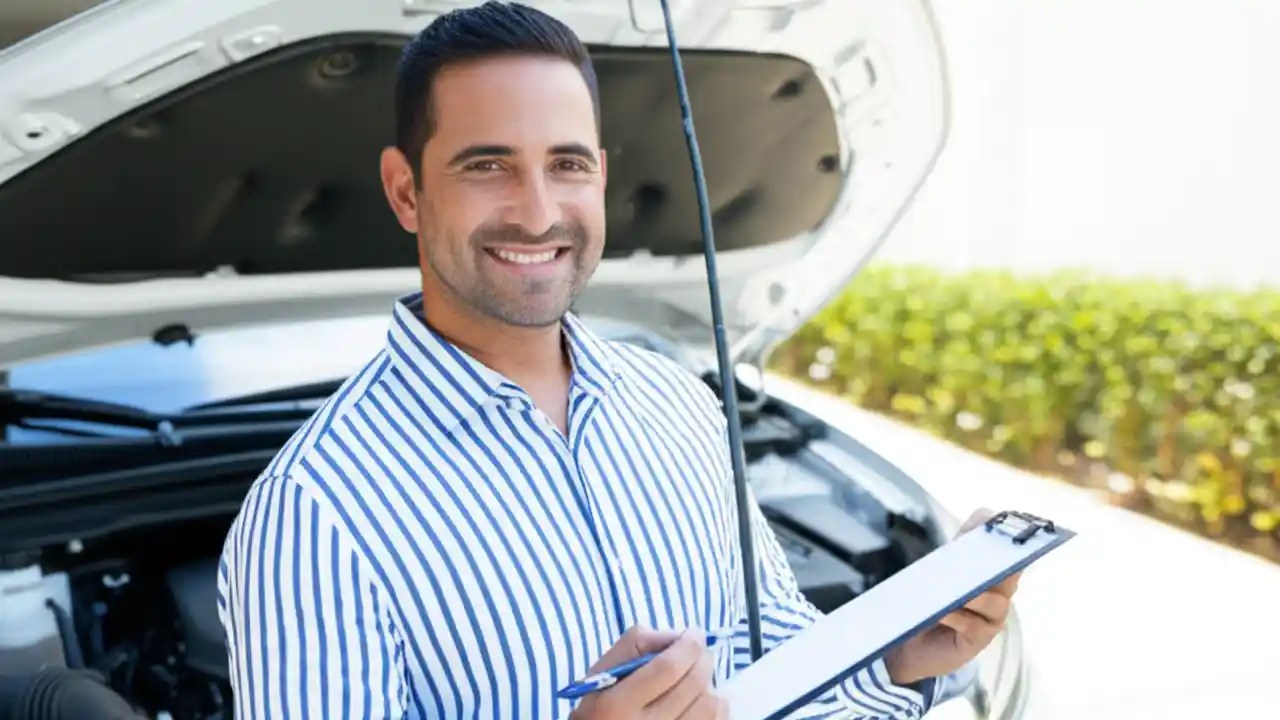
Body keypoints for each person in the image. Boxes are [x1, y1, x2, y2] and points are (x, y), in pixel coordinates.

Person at [216, 2, 1022, 718]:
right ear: (405, 191)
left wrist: (892, 658)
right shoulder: (312, 516)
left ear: (600, 175)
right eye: (488, 165)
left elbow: (767, 652)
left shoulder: (680, 404)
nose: (538, 213)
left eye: (566, 164)